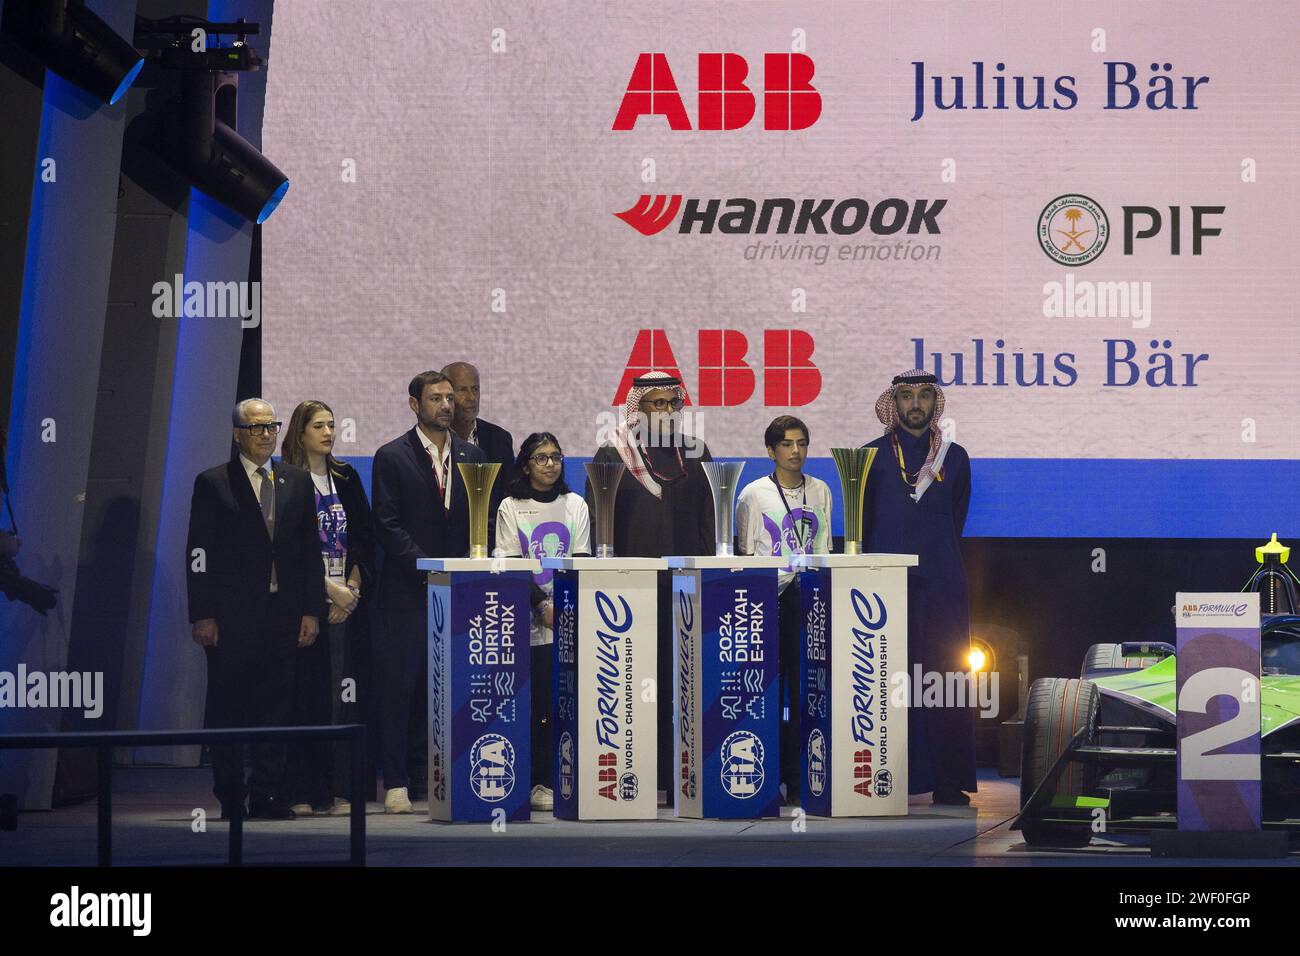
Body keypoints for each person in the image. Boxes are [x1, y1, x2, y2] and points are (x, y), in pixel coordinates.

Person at [186, 398, 326, 820]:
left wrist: (311, 611)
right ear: (237, 434)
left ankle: (266, 794)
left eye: (271, 427)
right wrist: (203, 613)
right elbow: (198, 552)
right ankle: (230, 795)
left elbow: (307, 552)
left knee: (275, 709)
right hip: (230, 620)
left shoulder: (296, 481)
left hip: (283, 615)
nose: (266, 435)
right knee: (227, 709)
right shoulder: (214, 482)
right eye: (256, 428)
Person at [587, 371, 715, 805]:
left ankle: (682, 779)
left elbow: (708, 522)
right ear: (636, 408)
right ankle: (636, 776)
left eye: (669, 404)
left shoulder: (697, 453)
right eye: (654, 403)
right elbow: (600, 527)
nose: (663, 411)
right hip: (631, 595)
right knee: (635, 685)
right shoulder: (612, 453)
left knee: (683, 685)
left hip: (685, 592)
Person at [860, 369, 975, 805]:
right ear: (894, 401)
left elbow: (957, 518)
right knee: (886, 677)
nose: (915, 404)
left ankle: (947, 779)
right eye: (906, 396)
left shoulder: (956, 457)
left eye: (924, 396)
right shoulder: (869, 457)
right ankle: (889, 776)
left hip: (943, 583)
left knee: (944, 678)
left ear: (934, 402)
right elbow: (862, 522)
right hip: (884, 586)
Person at [372, 371, 485, 813]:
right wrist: (428, 569)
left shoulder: (473, 455)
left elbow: (483, 520)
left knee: (451, 687)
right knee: (401, 689)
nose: (446, 405)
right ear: (413, 404)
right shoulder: (391, 456)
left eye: (449, 398)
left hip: (459, 591)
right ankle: (396, 782)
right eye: (435, 398)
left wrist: (462, 571)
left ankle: (442, 776)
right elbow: (387, 524)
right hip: (406, 592)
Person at [280, 400, 376, 817]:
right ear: (300, 432)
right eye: (319, 426)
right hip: (306, 601)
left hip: (346, 602)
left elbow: (365, 538)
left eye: (332, 425)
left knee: (344, 700)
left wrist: (350, 589)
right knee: (305, 699)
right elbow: (286, 548)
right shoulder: (285, 478)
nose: (328, 433)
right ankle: (301, 789)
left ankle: (337, 789)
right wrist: (326, 592)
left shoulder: (346, 476)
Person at [735, 415, 832, 804]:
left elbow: (824, 547)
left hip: (809, 600)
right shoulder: (753, 494)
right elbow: (743, 553)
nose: (796, 451)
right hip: (766, 600)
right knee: (768, 693)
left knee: (807, 691)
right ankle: (768, 775)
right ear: (771, 450)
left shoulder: (821, 490)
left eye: (802, 443)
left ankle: (801, 777)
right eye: (788, 444)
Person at [494, 432, 591, 812]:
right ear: (526, 464)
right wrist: (541, 606)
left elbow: (579, 559)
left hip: (566, 619)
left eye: (555, 457)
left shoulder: (575, 504)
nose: (550, 464)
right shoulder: (510, 506)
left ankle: (558, 780)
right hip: (527, 620)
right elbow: (512, 564)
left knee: (562, 704)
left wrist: (563, 609)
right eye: (541, 458)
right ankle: (532, 781)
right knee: (533, 707)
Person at [443, 361, 514, 543]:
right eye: (463, 390)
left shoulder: (499, 439)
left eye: (475, 389)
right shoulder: (435, 439)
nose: (471, 397)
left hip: (490, 544)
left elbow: (507, 498)